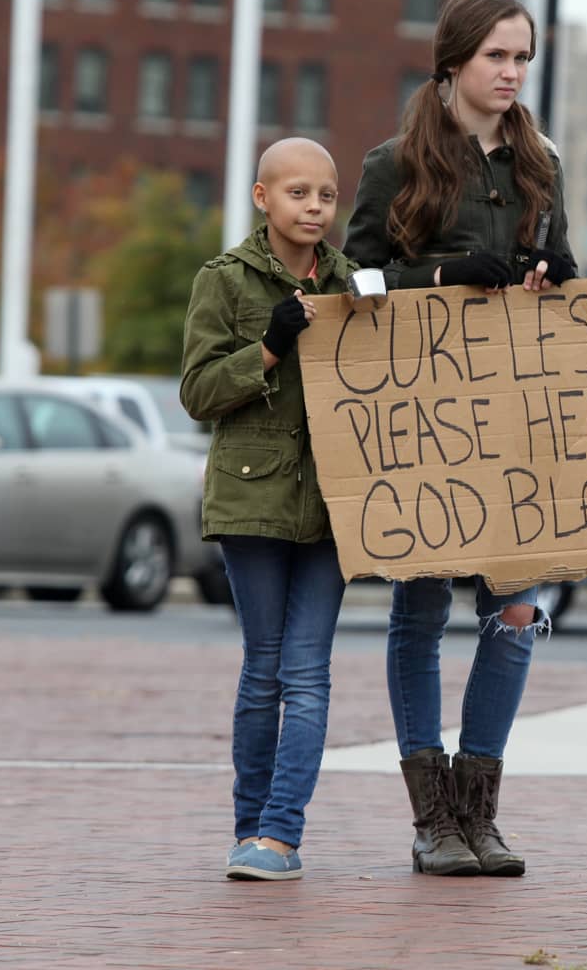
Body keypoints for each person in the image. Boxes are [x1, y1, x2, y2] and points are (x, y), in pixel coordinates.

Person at [343, 0, 577, 878]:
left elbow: (568, 270)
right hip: (424, 422)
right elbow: (351, 288)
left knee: (515, 609)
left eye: (523, 57)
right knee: (422, 606)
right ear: (453, 62)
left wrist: (556, 271)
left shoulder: (541, 163)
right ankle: (432, 817)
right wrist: (439, 279)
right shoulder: (391, 164)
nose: (512, 73)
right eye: (497, 57)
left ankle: (482, 814)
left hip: (517, 419)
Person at [180, 137, 356, 882]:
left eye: (324, 194)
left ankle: (281, 836)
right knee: (263, 671)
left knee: (307, 672)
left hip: (335, 503)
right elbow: (197, 393)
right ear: (262, 198)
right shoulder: (223, 281)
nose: (313, 207)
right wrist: (271, 349)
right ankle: (249, 826)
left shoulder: (355, 283)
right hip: (251, 499)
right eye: (297, 193)